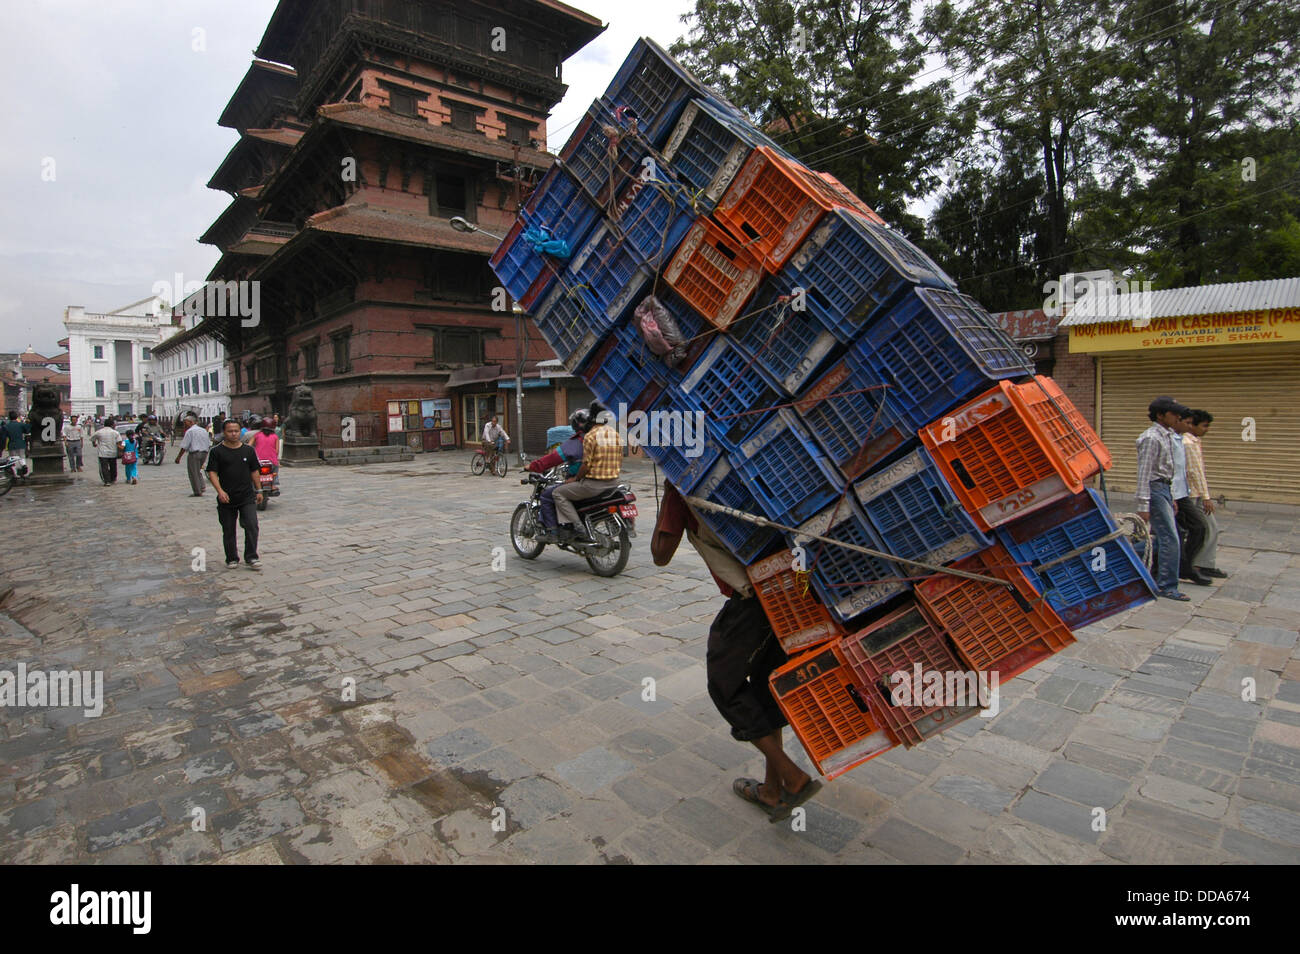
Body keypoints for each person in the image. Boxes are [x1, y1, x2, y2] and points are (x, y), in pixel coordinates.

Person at [651, 479, 820, 821]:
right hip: (792, 585)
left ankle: (793, 776)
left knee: (724, 684)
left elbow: (660, 555)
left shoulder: (683, 486)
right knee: (763, 684)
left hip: (753, 595)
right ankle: (772, 792)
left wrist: (669, 496)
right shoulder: (745, 474)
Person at [1135, 396, 1188, 600]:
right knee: (1170, 538)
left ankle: (1129, 554)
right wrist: (1143, 504)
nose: (1177, 417)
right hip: (1154, 490)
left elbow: (1168, 470)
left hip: (1164, 489)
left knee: (1165, 538)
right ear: (1160, 415)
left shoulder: (1167, 436)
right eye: (1173, 413)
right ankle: (1167, 586)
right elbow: (1145, 473)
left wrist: (1172, 496)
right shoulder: (1151, 438)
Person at [552, 404, 622, 543]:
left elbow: (586, 465)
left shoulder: (591, 436)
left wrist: (576, 478)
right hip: (614, 483)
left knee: (558, 493)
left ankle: (578, 527)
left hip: (593, 485)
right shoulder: (615, 434)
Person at [206, 419, 263, 569]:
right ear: (224, 432)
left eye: (236, 431)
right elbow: (212, 472)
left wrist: (259, 489)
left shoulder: (248, 450)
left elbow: (254, 471)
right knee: (229, 528)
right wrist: (220, 491)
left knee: (252, 525)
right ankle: (231, 557)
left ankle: (251, 556)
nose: (233, 434)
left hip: (246, 496)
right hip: (227, 497)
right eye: (230, 431)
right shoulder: (217, 451)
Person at [526, 410, 589, 540]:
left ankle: (552, 532)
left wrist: (532, 466)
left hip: (581, 482)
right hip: (601, 480)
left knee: (547, 495)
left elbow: (551, 459)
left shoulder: (575, 442)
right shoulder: (599, 439)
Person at [1184, 409, 1227, 579]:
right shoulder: (1188, 443)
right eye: (1204, 426)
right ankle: (1197, 564)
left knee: (1208, 529)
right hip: (1192, 495)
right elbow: (1195, 472)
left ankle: (1203, 563)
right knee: (1205, 528)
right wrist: (1206, 497)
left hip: (1195, 494)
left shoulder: (1194, 441)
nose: (1206, 429)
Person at [1170, 410, 1211, 586]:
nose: (1187, 427)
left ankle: (1185, 566)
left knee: (1196, 528)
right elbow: (1193, 471)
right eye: (1186, 423)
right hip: (1175, 494)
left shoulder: (1180, 440)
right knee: (1176, 533)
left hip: (1182, 493)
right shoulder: (1181, 441)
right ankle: (1177, 569)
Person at [176, 415, 212, 497]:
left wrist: (178, 457)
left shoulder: (190, 431)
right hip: (204, 452)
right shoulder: (203, 430)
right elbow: (208, 443)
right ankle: (202, 486)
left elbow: (184, 446)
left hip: (194, 453)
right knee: (198, 470)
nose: (184, 425)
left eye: (185, 423)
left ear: (191, 422)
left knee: (193, 472)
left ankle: (197, 491)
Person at [90, 416, 124, 485]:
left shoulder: (99, 432)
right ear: (112, 425)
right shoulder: (115, 433)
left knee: (104, 467)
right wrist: (121, 451)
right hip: (113, 452)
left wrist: (94, 444)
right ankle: (113, 479)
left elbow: (93, 438)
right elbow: (119, 442)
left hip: (102, 453)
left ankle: (107, 481)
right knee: (113, 466)